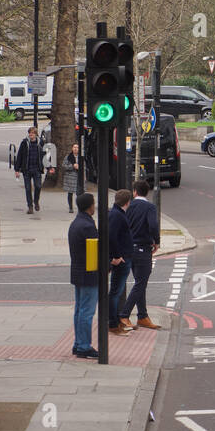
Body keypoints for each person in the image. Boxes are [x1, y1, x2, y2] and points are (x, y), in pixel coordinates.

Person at [121, 179, 161, 329]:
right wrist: (156, 241)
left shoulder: (129, 206)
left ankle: (142, 316)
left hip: (129, 249)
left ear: (135, 192)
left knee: (140, 283)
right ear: (147, 192)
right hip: (143, 249)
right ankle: (124, 315)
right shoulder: (149, 207)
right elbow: (153, 225)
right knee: (141, 283)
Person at [67, 192, 100, 359]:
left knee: (79, 310)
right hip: (89, 274)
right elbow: (94, 251)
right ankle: (84, 346)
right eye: (94, 204)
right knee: (87, 312)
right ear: (90, 206)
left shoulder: (75, 223)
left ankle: (78, 343)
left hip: (78, 273)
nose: (95, 206)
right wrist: (107, 265)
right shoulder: (87, 226)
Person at [107, 189, 135, 335]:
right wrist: (117, 256)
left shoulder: (117, 213)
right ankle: (113, 324)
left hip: (124, 257)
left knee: (116, 291)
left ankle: (116, 320)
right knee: (115, 292)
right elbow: (111, 236)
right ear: (127, 202)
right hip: (122, 258)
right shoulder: (117, 215)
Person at [14, 126, 45, 213]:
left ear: (35, 134)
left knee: (38, 186)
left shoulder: (41, 143)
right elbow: (19, 156)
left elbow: (45, 156)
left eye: (32, 133)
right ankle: (30, 206)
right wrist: (17, 170)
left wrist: (49, 167)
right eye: (30, 133)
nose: (30, 134)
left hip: (37, 169)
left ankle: (36, 201)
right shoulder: (24, 143)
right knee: (28, 189)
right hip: (26, 169)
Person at [62, 142, 81, 212]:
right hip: (70, 177)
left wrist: (80, 167)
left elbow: (85, 166)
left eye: (77, 147)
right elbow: (64, 165)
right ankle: (70, 207)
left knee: (79, 193)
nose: (75, 149)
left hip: (78, 176)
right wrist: (72, 166)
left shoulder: (81, 157)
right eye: (74, 147)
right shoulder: (68, 156)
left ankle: (79, 207)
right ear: (72, 148)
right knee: (70, 193)